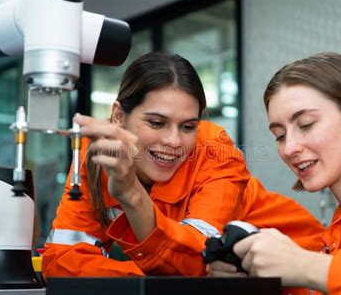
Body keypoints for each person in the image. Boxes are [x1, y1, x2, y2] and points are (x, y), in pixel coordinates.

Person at [42, 51, 325, 278]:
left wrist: (131, 194)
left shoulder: (216, 153)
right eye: (156, 122)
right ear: (118, 116)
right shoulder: (99, 156)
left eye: (188, 126)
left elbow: (192, 259)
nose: (174, 141)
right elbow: (62, 260)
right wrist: (142, 280)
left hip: (306, 267)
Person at [208, 52, 341, 294]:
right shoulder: (331, 241)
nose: (289, 148)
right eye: (280, 135)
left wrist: (309, 266)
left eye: (306, 124)